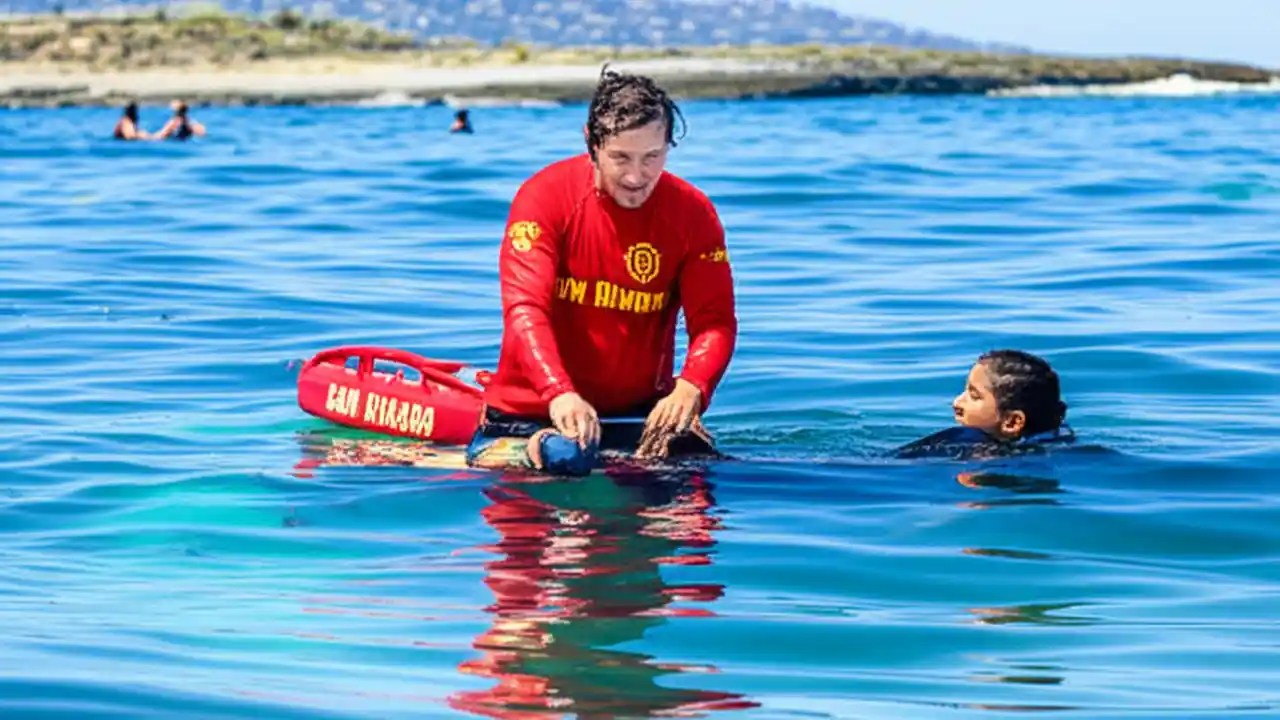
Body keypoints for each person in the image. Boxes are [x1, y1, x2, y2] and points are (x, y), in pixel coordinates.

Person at [467, 69, 738, 475]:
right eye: (620, 158)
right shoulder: (544, 198)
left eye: (652, 158)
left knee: (699, 499)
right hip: (532, 415)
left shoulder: (693, 214)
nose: (636, 177)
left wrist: (692, 388)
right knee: (565, 460)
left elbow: (715, 322)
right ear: (592, 144)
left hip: (637, 421)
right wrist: (559, 393)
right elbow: (526, 310)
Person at [894, 349, 1073, 459]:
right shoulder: (1062, 441)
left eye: (974, 396)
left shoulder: (967, 440)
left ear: (1012, 422)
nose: (957, 402)